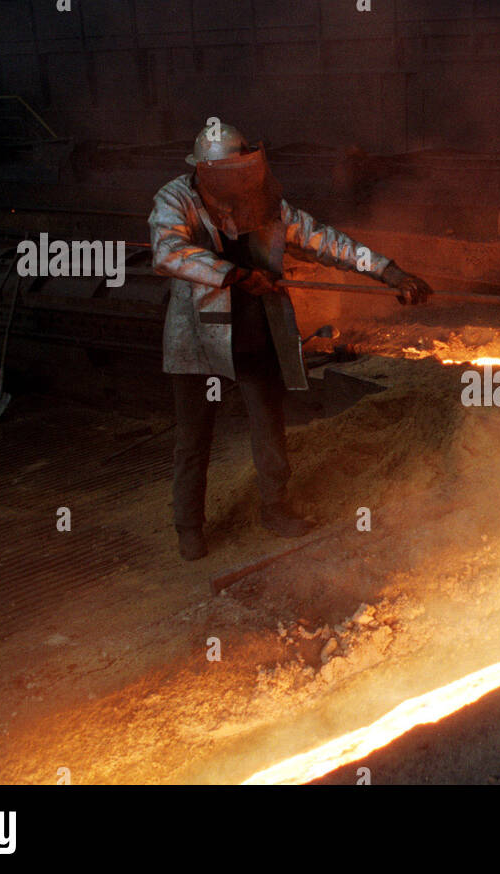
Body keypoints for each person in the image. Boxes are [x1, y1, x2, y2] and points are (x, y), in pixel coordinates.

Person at [149, 122, 431, 561]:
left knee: (269, 429)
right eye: (230, 172)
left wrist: (388, 271)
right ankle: (189, 527)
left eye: (243, 170)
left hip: (255, 334)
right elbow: (168, 252)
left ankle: (275, 510)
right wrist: (240, 275)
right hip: (200, 339)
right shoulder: (175, 199)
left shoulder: (263, 204)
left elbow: (325, 241)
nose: (238, 181)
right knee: (193, 438)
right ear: (206, 171)